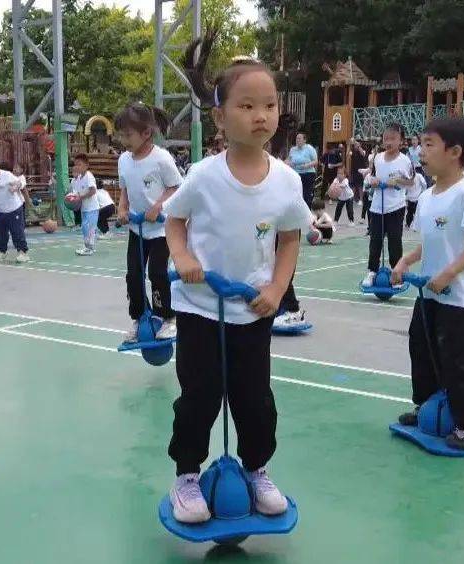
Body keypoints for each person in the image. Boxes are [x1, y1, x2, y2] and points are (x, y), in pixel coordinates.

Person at [162, 33, 313, 524]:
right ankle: (187, 475)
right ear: (220, 117)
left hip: (252, 310)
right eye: (246, 106)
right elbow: (174, 219)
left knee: (255, 401)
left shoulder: (287, 180)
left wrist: (276, 288)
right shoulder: (204, 175)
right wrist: (183, 256)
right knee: (199, 396)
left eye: (269, 105)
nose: (261, 115)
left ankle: (257, 469)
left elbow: (289, 238)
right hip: (200, 307)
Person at [390, 116, 464, 450]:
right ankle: (428, 405)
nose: (420, 151)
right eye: (421, 143)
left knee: (461, 362)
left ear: (455, 152)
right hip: (430, 293)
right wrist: (406, 261)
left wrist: (448, 274)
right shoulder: (427, 196)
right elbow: (431, 243)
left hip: (460, 297)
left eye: (429, 144)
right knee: (422, 349)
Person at [114, 102, 183, 341]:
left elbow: (175, 187)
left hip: (162, 230)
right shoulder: (124, 160)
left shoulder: (161, 158)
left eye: (128, 135)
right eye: (121, 134)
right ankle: (140, 316)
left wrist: (158, 206)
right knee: (133, 275)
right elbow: (125, 190)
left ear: (146, 133)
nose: (123, 140)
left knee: (157, 272)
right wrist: (122, 208)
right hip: (137, 229)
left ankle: (168, 317)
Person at [362, 123, 414, 287]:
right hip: (377, 206)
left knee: (394, 241)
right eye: (386, 139)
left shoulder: (404, 161)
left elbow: (411, 182)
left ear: (401, 141)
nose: (388, 142)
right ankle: (372, 271)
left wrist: (397, 181)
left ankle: (396, 273)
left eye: (393, 138)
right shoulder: (377, 158)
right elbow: (371, 177)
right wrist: (373, 181)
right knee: (375, 240)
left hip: (396, 207)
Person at [70, 154, 100, 256]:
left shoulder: (89, 176)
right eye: (76, 164)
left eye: (79, 164)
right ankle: (87, 247)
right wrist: (72, 199)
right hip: (84, 208)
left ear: (86, 165)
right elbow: (77, 194)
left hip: (92, 208)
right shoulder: (78, 179)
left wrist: (80, 197)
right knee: (84, 228)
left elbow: (93, 190)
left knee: (90, 228)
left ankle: (89, 248)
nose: (77, 167)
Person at [287, 133, 319, 204]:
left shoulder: (309, 148)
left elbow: (316, 161)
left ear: (304, 140)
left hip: (308, 173)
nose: (297, 140)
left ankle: (307, 209)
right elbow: (288, 160)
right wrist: (287, 163)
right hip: (296, 174)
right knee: (296, 194)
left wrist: (307, 165)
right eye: (296, 138)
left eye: (299, 138)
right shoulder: (293, 149)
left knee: (307, 195)